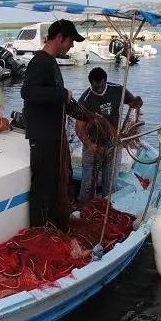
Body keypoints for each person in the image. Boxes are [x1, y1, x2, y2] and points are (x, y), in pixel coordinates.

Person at [20, 19, 96, 230]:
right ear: (59, 37)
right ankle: (40, 229)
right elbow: (27, 91)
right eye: (71, 40)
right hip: (42, 135)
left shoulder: (51, 62)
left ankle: (51, 224)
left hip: (53, 134)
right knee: (42, 185)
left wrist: (87, 115)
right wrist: (60, 93)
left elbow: (57, 99)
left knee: (53, 182)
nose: (72, 45)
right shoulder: (40, 62)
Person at [75, 67, 143, 203]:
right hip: (93, 143)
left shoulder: (117, 89)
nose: (99, 90)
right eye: (96, 87)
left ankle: (107, 206)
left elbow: (133, 103)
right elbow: (79, 127)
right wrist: (88, 145)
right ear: (90, 84)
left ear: (105, 81)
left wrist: (137, 102)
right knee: (88, 181)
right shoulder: (85, 99)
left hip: (113, 142)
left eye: (101, 86)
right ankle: (84, 204)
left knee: (110, 181)